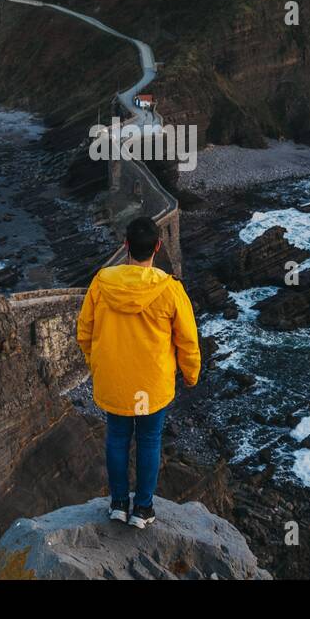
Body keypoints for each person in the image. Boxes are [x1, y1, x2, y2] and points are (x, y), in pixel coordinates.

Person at [76, 216, 200, 528]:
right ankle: (142, 509)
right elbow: (187, 339)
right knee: (149, 440)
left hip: (115, 379)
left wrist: (97, 364)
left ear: (126, 246)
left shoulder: (102, 282)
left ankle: (118, 504)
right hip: (152, 384)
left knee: (117, 438)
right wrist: (191, 374)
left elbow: (84, 332)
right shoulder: (170, 289)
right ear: (158, 247)